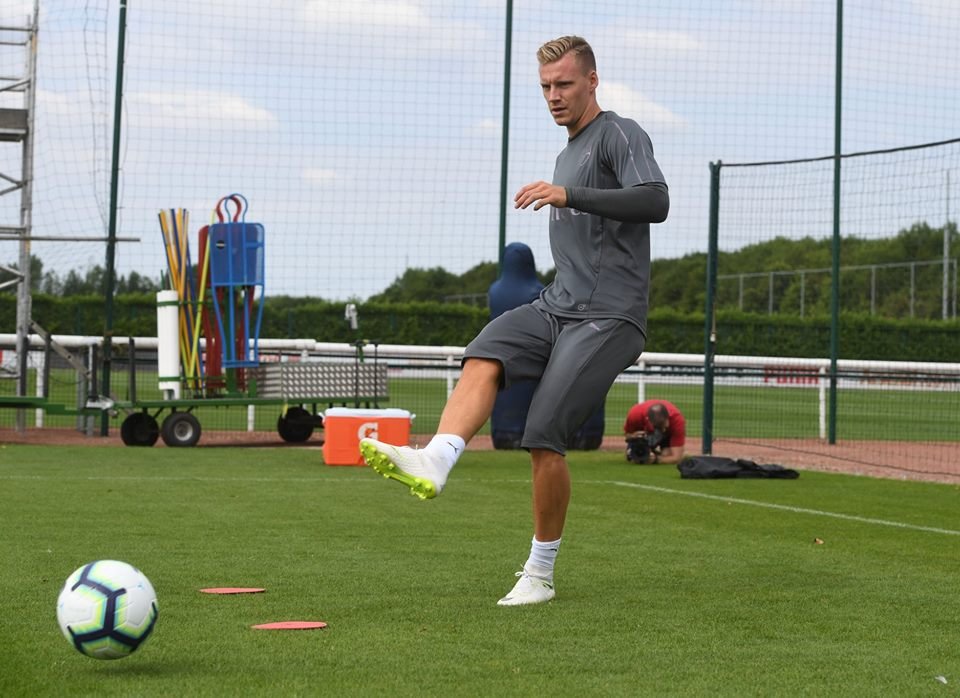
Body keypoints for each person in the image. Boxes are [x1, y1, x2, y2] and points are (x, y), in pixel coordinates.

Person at [360, 35, 669, 606]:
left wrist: (569, 194)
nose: (553, 96)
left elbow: (655, 201)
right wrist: (566, 189)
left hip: (610, 316)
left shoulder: (621, 133)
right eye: (546, 87)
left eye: (564, 85)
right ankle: (437, 459)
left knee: (543, 432)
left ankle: (540, 573)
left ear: (593, 81)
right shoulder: (566, 149)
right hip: (558, 306)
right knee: (486, 348)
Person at [623, 399, 686, 465]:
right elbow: (627, 435)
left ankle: (653, 453)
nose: (663, 430)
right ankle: (647, 451)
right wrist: (633, 436)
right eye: (659, 427)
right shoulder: (635, 415)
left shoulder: (677, 420)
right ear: (649, 420)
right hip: (642, 435)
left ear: (668, 417)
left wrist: (656, 459)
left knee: (667, 454)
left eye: (664, 426)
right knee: (633, 457)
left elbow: (676, 458)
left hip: (666, 436)